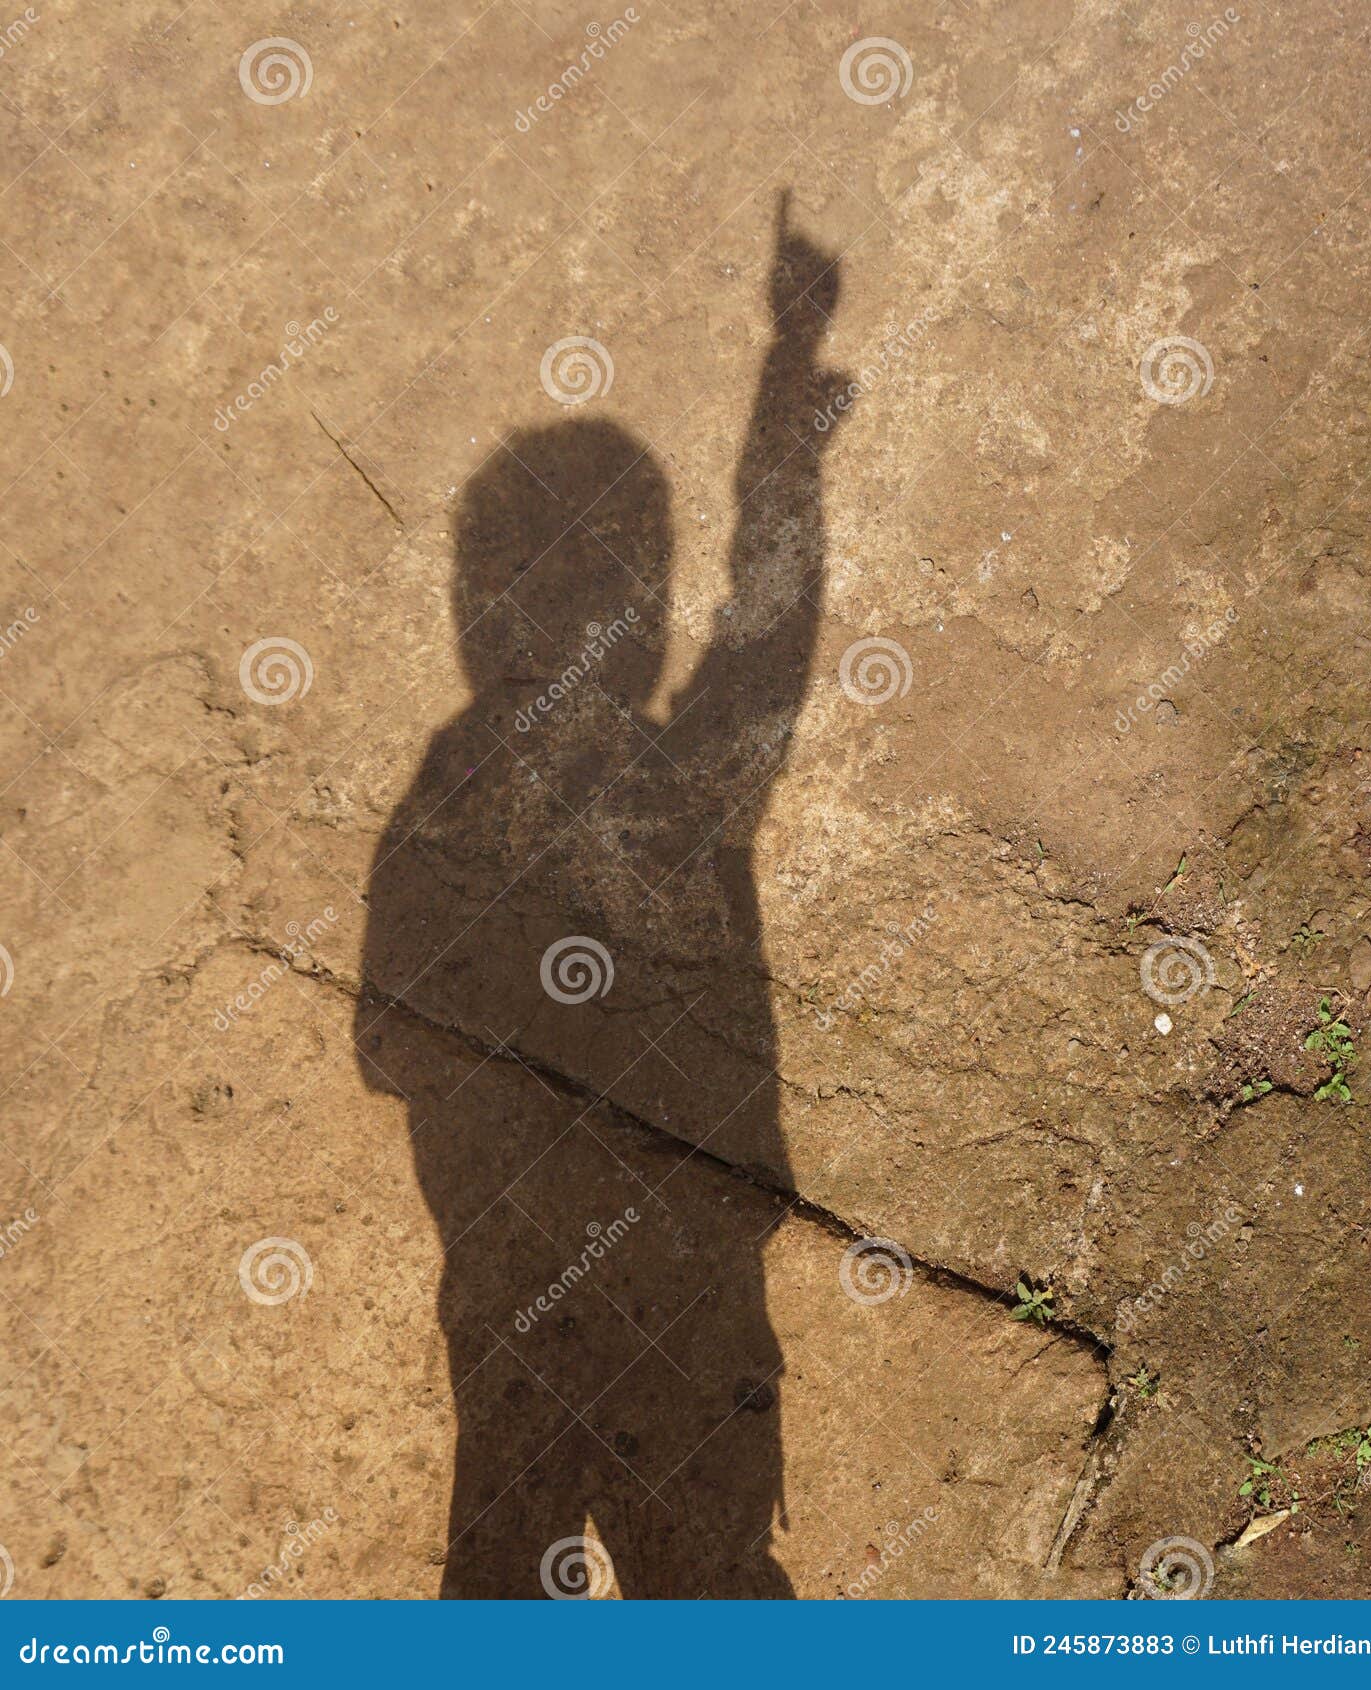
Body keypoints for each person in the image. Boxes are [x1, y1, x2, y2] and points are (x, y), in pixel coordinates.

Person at [356, 192, 849, 1596]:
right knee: (712, 1568)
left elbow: (383, 1053)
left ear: (481, 637)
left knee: (501, 1569)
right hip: (686, 1307)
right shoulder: (683, 792)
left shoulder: (432, 820)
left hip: (516, 1311)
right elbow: (770, 634)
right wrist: (787, 404)